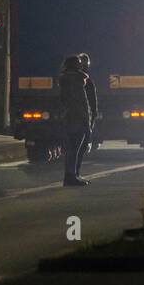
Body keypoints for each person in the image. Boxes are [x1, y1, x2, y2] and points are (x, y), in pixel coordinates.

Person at [58, 55, 91, 187]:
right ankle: (71, 176)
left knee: (71, 148)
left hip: (69, 118)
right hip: (77, 119)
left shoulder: (64, 80)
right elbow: (81, 103)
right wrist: (86, 121)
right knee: (74, 149)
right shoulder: (77, 81)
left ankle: (71, 175)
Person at [77, 53, 98, 178]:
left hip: (73, 117)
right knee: (80, 146)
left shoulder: (65, 79)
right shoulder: (84, 80)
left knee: (75, 147)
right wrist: (92, 115)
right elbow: (91, 101)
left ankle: (73, 173)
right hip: (82, 117)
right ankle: (74, 173)